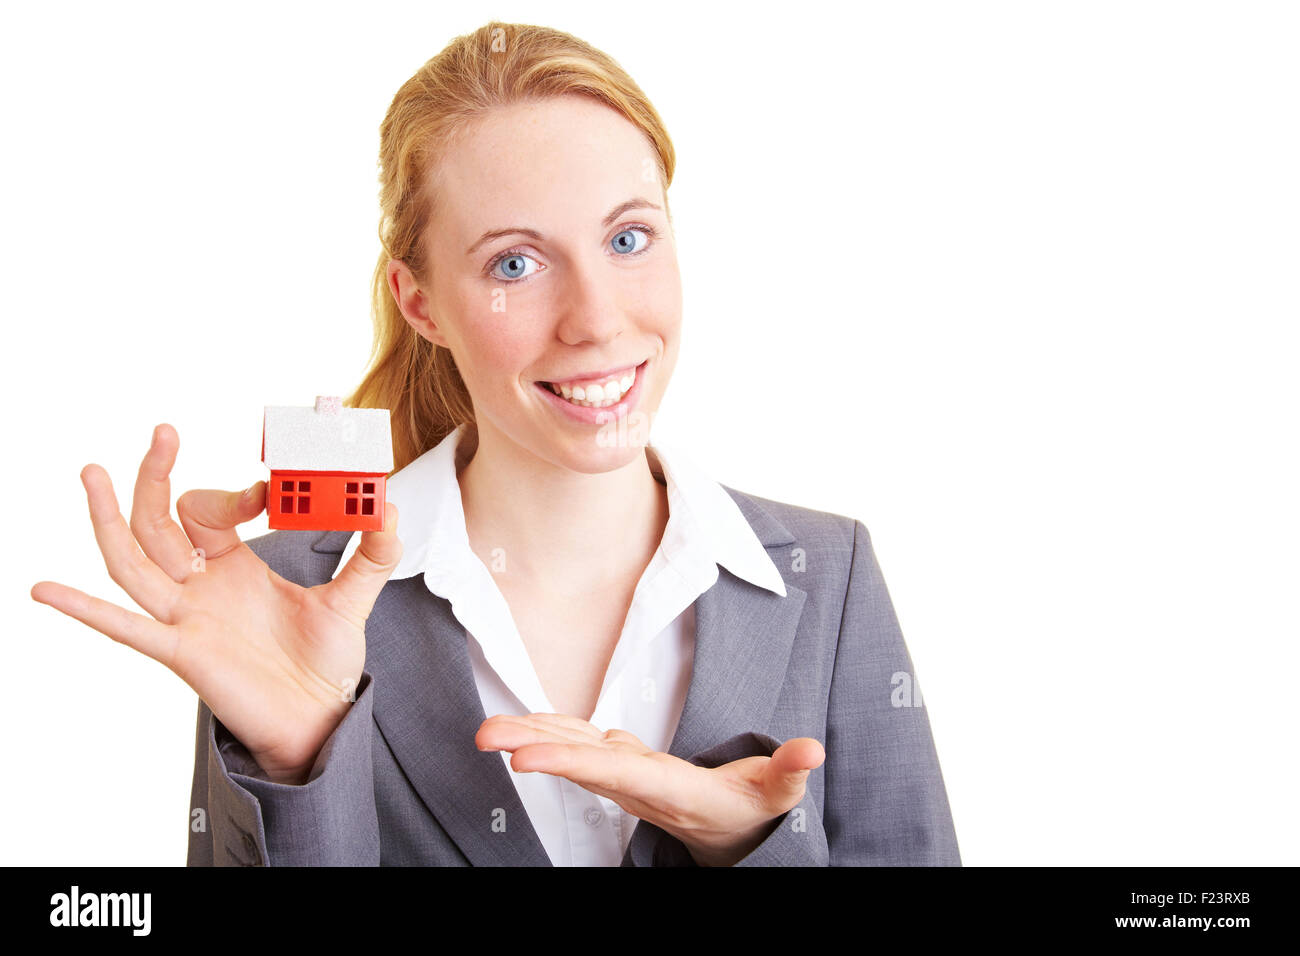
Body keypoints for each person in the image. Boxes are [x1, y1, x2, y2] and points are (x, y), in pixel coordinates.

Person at [30, 20, 960, 866]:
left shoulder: (828, 577)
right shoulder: (290, 596)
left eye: (629, 239)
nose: (595, 320)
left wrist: (741, 849)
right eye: (515, 263)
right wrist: (299, 757)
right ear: (420, 302)